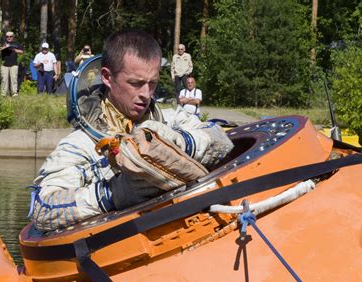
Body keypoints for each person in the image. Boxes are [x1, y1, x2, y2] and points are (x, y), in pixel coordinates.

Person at [29, 30, 233, 232]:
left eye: (152, 83)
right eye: (136, 83)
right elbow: (43, 208)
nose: (146, 94)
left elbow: (222, 139)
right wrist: (113, 193)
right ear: (107, 77)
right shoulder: (80, 145)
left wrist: (181, 142)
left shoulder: (171, 120)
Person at [0, 31, 23, 97]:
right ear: (6, 37)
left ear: (13, 37)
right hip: (4, 64)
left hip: (14, 64)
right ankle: (3, 94)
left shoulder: (16, 43)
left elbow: (21, 51)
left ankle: (14, 93)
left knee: (14, 79)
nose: (9, 38)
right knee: (4, 79)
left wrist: (13, 49)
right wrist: (5, 47)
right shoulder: (2, 42)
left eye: (10, 36)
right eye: (7, 36)